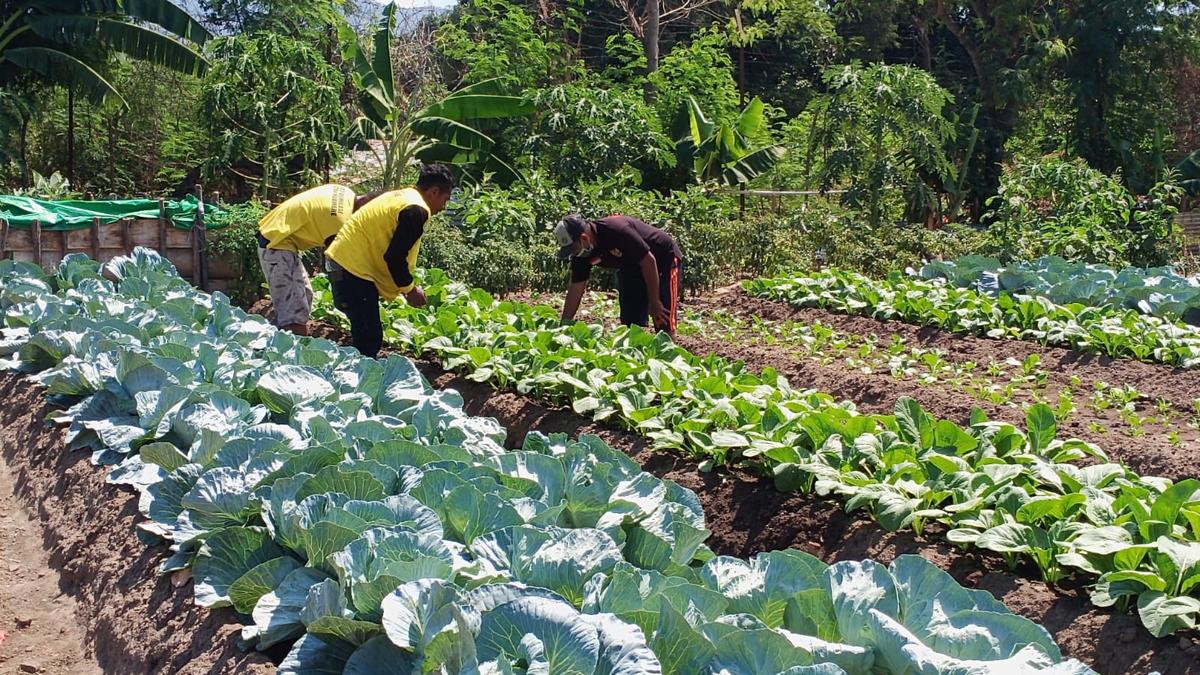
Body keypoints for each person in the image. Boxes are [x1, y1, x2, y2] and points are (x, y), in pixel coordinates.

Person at [324, 164, 455, 358]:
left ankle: (354, 374)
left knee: (365, 332)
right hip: (351, 268)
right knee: (368, 339)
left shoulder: (401, 196)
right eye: (445, 199)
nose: (444, 207)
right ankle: (356, 380)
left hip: (344, 263)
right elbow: (394, 256)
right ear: (434, 192)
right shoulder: (416, 209)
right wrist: (410, 290)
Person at [256, 183, 375, 335]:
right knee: (294, 313)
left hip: (280, 236)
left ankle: (283, 338)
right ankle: (290, 351)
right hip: (276, 243)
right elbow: (337, 260)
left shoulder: (344, 192)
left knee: (305, 295)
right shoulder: (339, 221)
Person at [554, 213, 683, 335]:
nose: (574, 253)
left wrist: (654, 301)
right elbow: (576, 288)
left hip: (664, 257)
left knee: (662, 315)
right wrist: (563, 325)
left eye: (573, 249)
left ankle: (669, 345)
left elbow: (649, 261)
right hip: (632, 266)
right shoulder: (581, 254)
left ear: (584, 238)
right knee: (631, 321)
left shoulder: (616, 230)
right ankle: (636, 350)